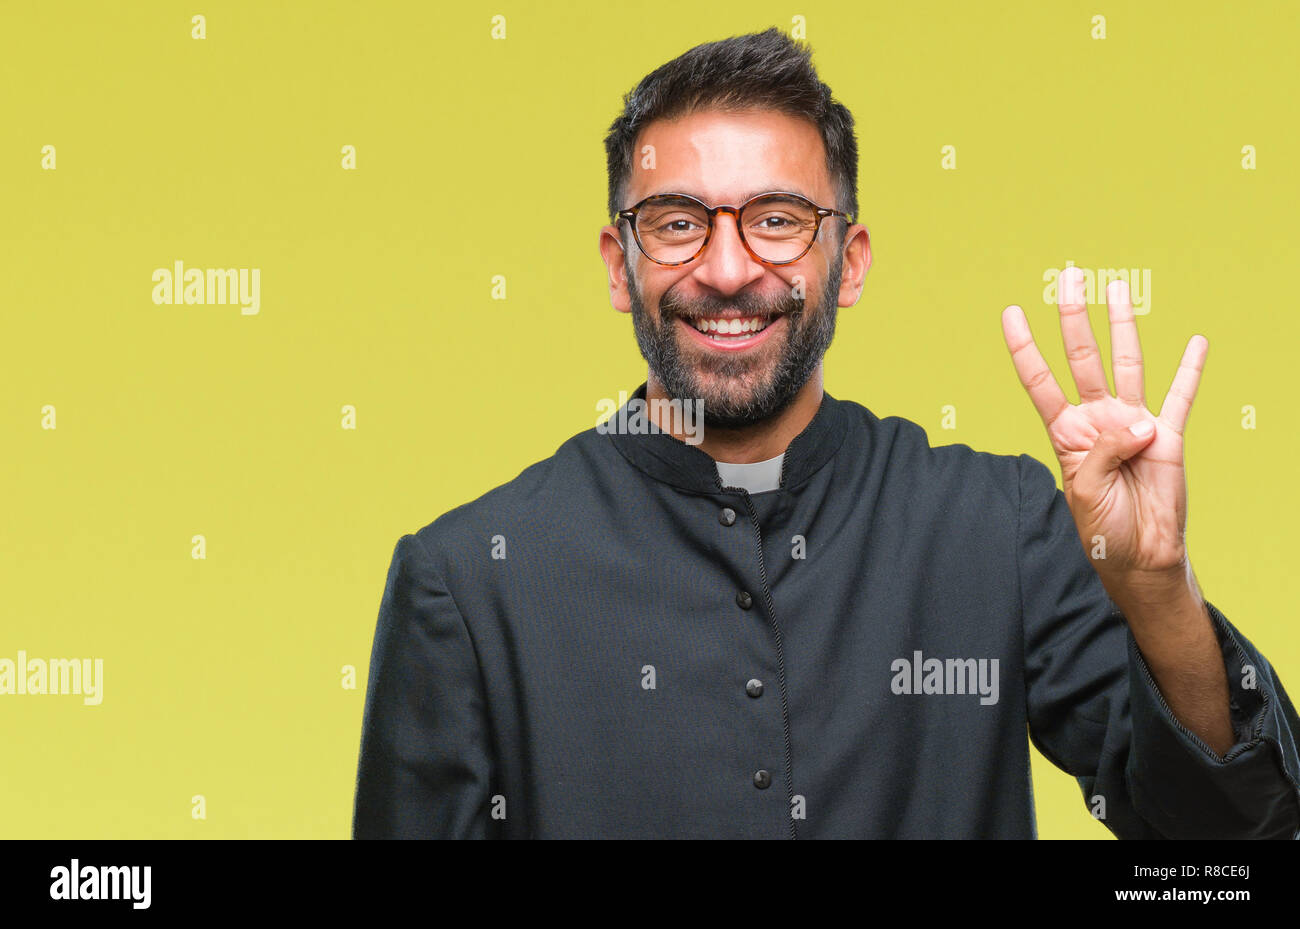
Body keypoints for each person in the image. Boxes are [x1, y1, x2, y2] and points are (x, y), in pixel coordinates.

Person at [351, 27, 1300, 839]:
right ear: (618, 263)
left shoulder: (1000, 526)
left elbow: (1220, 854)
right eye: (678, 222)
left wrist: (1158, 591)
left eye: (778, 219)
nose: (727, 268)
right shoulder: (468, 579)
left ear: (848, 261)